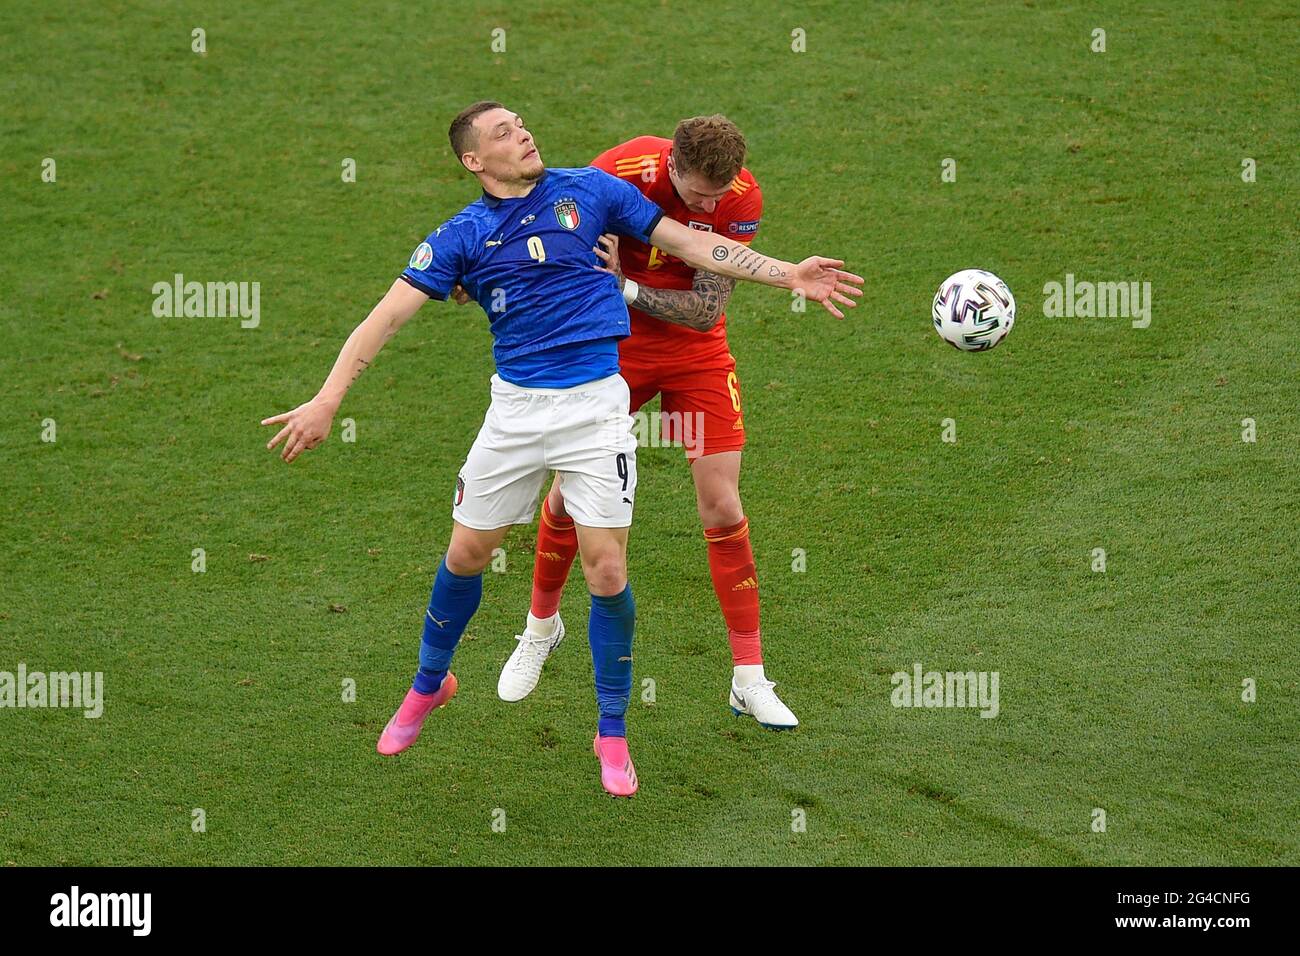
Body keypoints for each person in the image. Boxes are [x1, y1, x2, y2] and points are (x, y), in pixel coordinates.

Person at [261, 101, 861, 796]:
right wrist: (328, 398)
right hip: (514, 412)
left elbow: (697, 247)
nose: (523, 135)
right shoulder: (461, 234)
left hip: (596, 408)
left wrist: (788, 272)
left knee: (607, 570)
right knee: (466, 554)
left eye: (521, 125)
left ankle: (612, 733)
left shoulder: (592, 189)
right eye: (503, 134)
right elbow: (385, 316)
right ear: (474, 162)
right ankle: (431, 684)